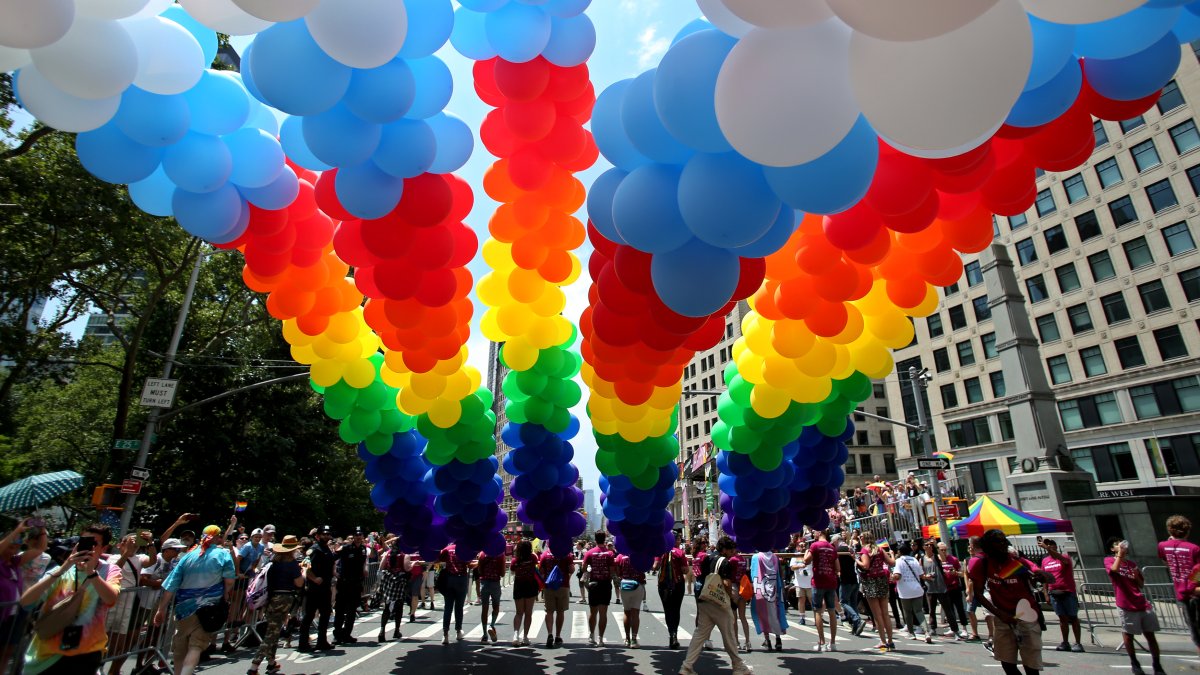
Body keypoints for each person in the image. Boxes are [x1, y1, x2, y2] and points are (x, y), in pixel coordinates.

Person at [19, 524, 120, 675]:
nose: (89, 547)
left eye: (94, 544)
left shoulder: (109, 570)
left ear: (104, 548)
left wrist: (91, 572)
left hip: (86, 653)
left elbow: (110, 599)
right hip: (47, 654)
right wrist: (63, 569)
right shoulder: (61, 571)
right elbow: (26, 602)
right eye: (85, 541)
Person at [154, 524, 236, 675]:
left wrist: (161, 609)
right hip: (209, 607)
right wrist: (225, 594)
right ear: (217, 537)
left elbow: (171, 584)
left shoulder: (187, 557)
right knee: (196, 646)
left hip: (183, 608)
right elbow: (230, 580)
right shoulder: (223, 554)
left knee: (181, 645)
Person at [970, 529, 1052, 675]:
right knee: (1007, 663)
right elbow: (978, 593)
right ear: (988, 546)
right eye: (998, 542)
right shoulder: (981, 563)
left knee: (1031, 666)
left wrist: (1041, 575)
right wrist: (999, 614)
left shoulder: (1016, 561)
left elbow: (1047, 577)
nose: (1002, 545)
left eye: (1004, 541)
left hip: (1027, 616)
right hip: (1003, 618)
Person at [678, 537, 752, 675]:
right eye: (730, 550)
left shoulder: (707, 558)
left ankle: (686, 666)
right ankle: (738, 666)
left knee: (699, 635)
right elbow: (726, 583)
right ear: (724, 550)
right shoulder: (725, 562)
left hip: (704, 599)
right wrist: (731, 598)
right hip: (719, 603)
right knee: (729, 635)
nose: (732, 553)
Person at [1106, 538, 1165, 675]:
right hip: (1125, 603)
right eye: (1117, 544)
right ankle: (1134, 662)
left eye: (1122, 543)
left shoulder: (1131, 564)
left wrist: (1135, 576)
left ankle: (1157, 664)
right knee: (1128, 634)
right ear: (1112, 549)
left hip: (1141, 603)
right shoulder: (1109, 561)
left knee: (1150, 635)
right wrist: (1120, 554)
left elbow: (1141, 584)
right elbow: (1114, 570)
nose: (1121, 546)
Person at [247, 535, 304, 674]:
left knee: (274, 631)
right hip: (284, 599)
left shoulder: (273, 563)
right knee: (271, 634)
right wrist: (302, 573)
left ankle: (271, 663)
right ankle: (254, 666)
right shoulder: (292, 564)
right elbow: (299, 583)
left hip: (271, 598)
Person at [135, 538, 186, 675]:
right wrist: (159, 583)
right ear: (167, 549)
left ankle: (148, 663)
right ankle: (139, 664)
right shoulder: (156, 560)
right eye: (176, 549)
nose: (178, 552)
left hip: (161, 603)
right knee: (149, 634)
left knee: (157, 633)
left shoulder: (173, 563)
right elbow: (143, 578)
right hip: (147, 602)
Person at [104, 532, 148, 675]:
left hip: (130, 603)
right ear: (120, 544)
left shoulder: (139, 558)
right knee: (104, 637)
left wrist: (151, 543)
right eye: (130, 542)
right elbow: (114, 569)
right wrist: (126, 553)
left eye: (136, 543)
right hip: (112, 601)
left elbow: (152, 561)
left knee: (123, 641)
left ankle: (111, 669)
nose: (134, 545)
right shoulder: (113, 557)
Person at [1157, 514, 1200, 658]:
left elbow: (1165, 561)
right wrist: (1192, 584)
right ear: (1187, 530)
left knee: (1194, 629)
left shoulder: (1163, 546)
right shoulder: (1194, 548)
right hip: (1195, 592)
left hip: (1182, 593)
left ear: (1170, 530)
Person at [1039, 538, 1083, 652]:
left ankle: (1078, 642)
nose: (1049, 547)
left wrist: (1047, 548)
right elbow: (1045, 578)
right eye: (1048, 545)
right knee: (1062, 618)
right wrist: (1046, 593)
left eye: (1052, 545)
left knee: (1073, 617)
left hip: (1068, 591)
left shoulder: (1064, 558)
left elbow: (1064, 560)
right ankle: (1065, 642)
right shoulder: (1045, 561)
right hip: (1054, 592)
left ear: (1056, 547)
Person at [297, 526, 334, 653]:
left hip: (325, 587)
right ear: (317, 536)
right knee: (309, 615)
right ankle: (302, 643)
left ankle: (322, 641)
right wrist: (314, 578)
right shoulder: (313, 549)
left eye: (328, 534)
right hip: (314, 588)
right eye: (324, 534)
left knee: (325, 615)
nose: (326, 536)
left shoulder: (326, 548)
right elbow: (305, 566)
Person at [805, 529, 841, 651]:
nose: (813, 534)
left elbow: (806, 561)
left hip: (818, 581)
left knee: (818, 611)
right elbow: (837, 567)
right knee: (832, 612)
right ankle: (833, 643)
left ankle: (821, 642)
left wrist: (806, 553)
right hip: (831, 581)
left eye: (815, 531)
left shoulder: (814, 545)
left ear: (820, 533)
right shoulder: (832, 547)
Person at [858, 539, 895, 650]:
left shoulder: (865, 550)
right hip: (882, 580)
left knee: (877, 614)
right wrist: (892, 555)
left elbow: (865, 566)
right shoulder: (880, 549)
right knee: (885, 613)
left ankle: (883, 641)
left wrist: (855, 560)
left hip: (871, 582)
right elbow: (892, 563)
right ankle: (890, 640)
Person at [748, 548, 787, 652]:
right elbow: (780, 574)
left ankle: (767, 640)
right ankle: (778, 639)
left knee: (762, 614)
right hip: (774, 587)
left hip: (761, 588)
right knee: (776, 613)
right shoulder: (775, 557)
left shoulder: (756, 557)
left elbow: (753, 574)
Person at [893, 542, 932, 643]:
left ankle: (911, 632)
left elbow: (897, 576)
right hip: (917, 589)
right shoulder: (914, 560)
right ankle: (926, 632)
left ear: (900, 552)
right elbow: (921, 575)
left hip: (905, 590)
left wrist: (891, 576)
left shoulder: (898, 561)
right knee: (919, 611)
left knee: (908, 612)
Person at [332, 529, 367, 644]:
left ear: (362, 536)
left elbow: (363, 563)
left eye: (360, 535)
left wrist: (364, 570)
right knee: (340, 610)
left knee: (352, 611)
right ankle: (337, 635)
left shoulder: (363, 549)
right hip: (344, 583)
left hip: (356, 583)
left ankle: (347, 634)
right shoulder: (346, 548)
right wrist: (335, 573)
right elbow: (333, 558)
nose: (358, 537)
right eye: (356, 535)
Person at [922, 539, 961, 640]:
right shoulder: (922, 559)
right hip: (930, 588)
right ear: (923, 547)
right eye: (927, 545)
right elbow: (920, 574)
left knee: (948, 610)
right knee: (931, 610)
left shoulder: (937, 556)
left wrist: (936, 546)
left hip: (941, 587)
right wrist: (926, 577)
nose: (929, 546)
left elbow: (944, 559)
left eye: (930, 545)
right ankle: (933, 628)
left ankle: (955, 630)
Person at [653, 535, 688, 649]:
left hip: (663, 585)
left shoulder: (660, 551)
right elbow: (685, 570)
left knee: (667, 610)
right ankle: (675, 634)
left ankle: (671, 634)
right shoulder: (679, 552)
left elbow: (655, 566)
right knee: (676, 609)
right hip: (678, 584)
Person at [583, 532, 616, 646]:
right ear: (605, 539)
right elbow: (612, 571)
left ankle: (591, 635)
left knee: (593, 612)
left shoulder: (589, 553)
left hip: (594, 584)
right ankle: (601, 638)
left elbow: (584, 568)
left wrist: (591, 570)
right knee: (603, 613)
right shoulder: (610, 554)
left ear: (595, 540)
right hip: (605, 584)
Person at [375, 537, 410, 642]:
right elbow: (407, 568)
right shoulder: (404, 554)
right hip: (399, 581)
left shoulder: (388, 553)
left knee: (387, 606)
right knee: (399, 605)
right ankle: (396, 630)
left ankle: (382, 630)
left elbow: (381, 566)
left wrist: (379, 581)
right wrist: (412, 564)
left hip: (388, 579)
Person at [539, 544, 573, 648]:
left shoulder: (545, 555)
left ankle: (550, 634)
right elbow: (571, 570)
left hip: (549, 586)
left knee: (549, 611)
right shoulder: (567, 555)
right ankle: (558, 636)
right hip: (563, 585)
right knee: (560, 611)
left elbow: (541, 571)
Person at [437, 543, 471, 645]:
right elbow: (468, 562)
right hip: (461, 578)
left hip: (450, 578)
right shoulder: (465, 547)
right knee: (459, 607)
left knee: (448, 607)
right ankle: (458, 631)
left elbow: (440, 558)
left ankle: (445, 634)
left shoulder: (447, 549)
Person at [937, 541, 970, 640]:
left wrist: (955, 573)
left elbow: (962, 573)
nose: (944, 552)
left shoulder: (953, 559)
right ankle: (953, 628)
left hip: (955, 587)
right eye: (941, 550)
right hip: (944, 589)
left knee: (960, 608)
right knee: (949, 610)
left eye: (945, 550)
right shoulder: (936, 560)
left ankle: (964, 628)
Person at [835, 533, 866, 636]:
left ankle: (857, 619)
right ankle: (856, 625)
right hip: (854, 579)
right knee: (853, 603)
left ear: (836, 541)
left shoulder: (839, 550)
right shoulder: (850, 548)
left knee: (843, 602)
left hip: (846, 580)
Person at [509, 540, 539, 646]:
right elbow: (536, 564)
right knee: (528, 612)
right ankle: (525, 637)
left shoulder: (514, 560)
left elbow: (512, 572)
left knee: (519, 612)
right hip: (530, 585)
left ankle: (516, 635)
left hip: (518, 585)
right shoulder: (533, 558)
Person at [964, 536, 993, 644]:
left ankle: (992, 637)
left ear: (972, 546)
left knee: (988, 614)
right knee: (972, 611)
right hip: (988, 589)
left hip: (984, 591)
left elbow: (972, 579)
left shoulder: (975, 560)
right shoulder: (989, 557)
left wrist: (970, 594)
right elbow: (966, 575)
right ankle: (979, 634)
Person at [614, 551, 645, 648]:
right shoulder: (640, 554)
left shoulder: (620, 556)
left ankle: (627, 639)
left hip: (625, 586)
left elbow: (618, 572)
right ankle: (634, 640)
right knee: (635, 613)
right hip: (637, 585)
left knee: (626, 612)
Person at [475, 548, 504, 644]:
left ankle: (484, 635)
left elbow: (479, 570)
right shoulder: (500, 554)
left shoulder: (482, 554)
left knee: (484, 608)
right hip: (495, 582)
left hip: (484, 583)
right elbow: (503, 573)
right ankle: (491, 625)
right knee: (496, 606)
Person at [729, 552, 752, 651]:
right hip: (743, 586)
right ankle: (747, 642)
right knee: (743, 617)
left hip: (734, 586)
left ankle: (736, 642)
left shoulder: (732, 560)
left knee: (734, 618)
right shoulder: (742, 559)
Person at [790, 541, 811, 624]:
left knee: (812, 600)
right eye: (801, 546)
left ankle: (818, 616)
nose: (803, 547)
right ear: (797, 547)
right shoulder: (795, 556)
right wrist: (799, 566)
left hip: (810, 583)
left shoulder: (810, 554)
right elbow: (792, 567)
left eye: (804, 545)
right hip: (799, 583)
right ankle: (802, 617)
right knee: (801, 600)